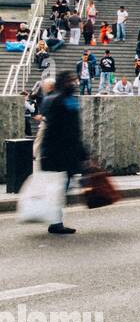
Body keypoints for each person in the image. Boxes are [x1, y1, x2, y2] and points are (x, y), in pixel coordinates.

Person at [37, 71, 86, 235]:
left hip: (59, 152)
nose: (74, 83)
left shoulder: (62, 99)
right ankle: (55, 222)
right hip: (59, 152)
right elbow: (64, 129)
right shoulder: (61, 100)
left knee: (60, 187)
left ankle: (55, 220)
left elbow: (73, 129)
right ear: (64, 83)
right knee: (59, 188)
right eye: (71, 81)